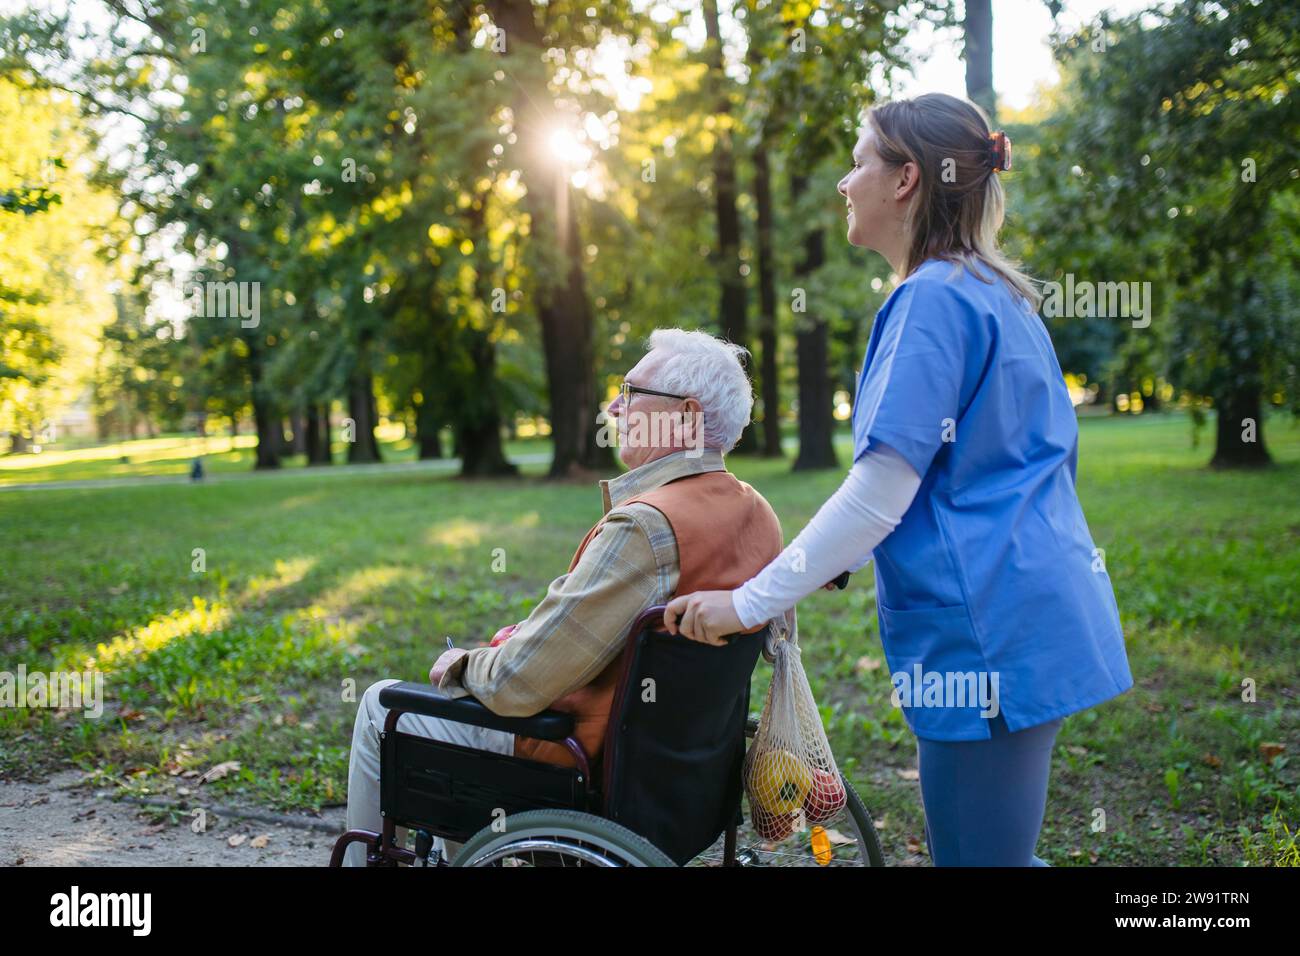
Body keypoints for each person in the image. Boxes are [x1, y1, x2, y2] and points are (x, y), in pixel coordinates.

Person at [663, 93, 1134, 867]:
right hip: (1034, 613)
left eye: (858, 163)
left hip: (986, 633)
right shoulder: (996, 293)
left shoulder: (929, 302)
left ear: (907, 178)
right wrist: (825, 563)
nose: (845, 184)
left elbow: (882, 492)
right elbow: (961, 473)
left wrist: (747, 604)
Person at [342, 328, 784, 865]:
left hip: (581, 768)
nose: (614, 407)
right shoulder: (758, 514)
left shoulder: (646, 529)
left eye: (630, 390)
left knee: (379, 704)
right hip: (689, 781)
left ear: (686, 415)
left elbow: (517, 684)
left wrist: (464, 665)